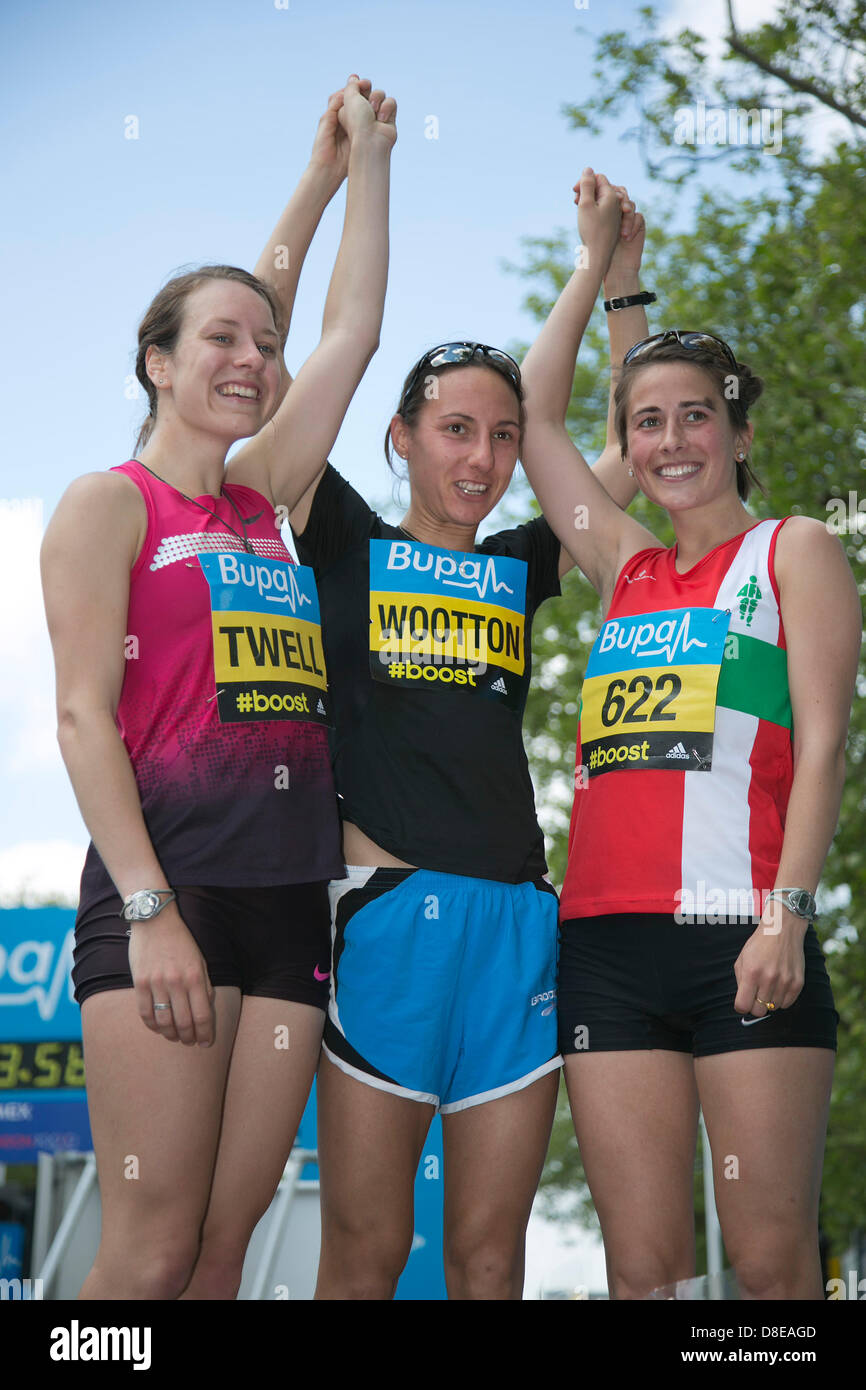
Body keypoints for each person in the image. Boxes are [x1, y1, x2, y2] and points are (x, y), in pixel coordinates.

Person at [253, 174, 642, 1298]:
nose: (479, 458)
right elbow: (285, 353)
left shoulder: (521, 563)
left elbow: (629, 449)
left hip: (520, 925)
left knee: (486, 1260)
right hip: (388, 917)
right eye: (454, 430)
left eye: (503, 437)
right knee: (367, 1253)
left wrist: (605, 277)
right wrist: (337, 176)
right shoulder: (338, 535)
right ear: (400, 437)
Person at [40, 77, 396, 1300]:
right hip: (168, 893)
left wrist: (356, 165)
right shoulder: (110, 504)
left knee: (218, 1252)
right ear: (154, 362)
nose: (249, 361)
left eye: (260, 347)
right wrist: (148, 914)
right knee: (141, 1254)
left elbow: (340, 334)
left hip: (289, 902)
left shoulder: (266, 500)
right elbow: (83, 715)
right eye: (216, 344)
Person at [518, 168, 861, 1300]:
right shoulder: (623, 568)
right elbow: (529, 415)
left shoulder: (792, 551)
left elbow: (819, 745)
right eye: (645, 421)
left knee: (768, 1267)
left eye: (694, 416)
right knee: (641, 1273)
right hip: (602, 949)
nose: (669, 440)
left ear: (737, 429)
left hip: (742, 939)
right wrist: (602, 276)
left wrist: (786, 914)